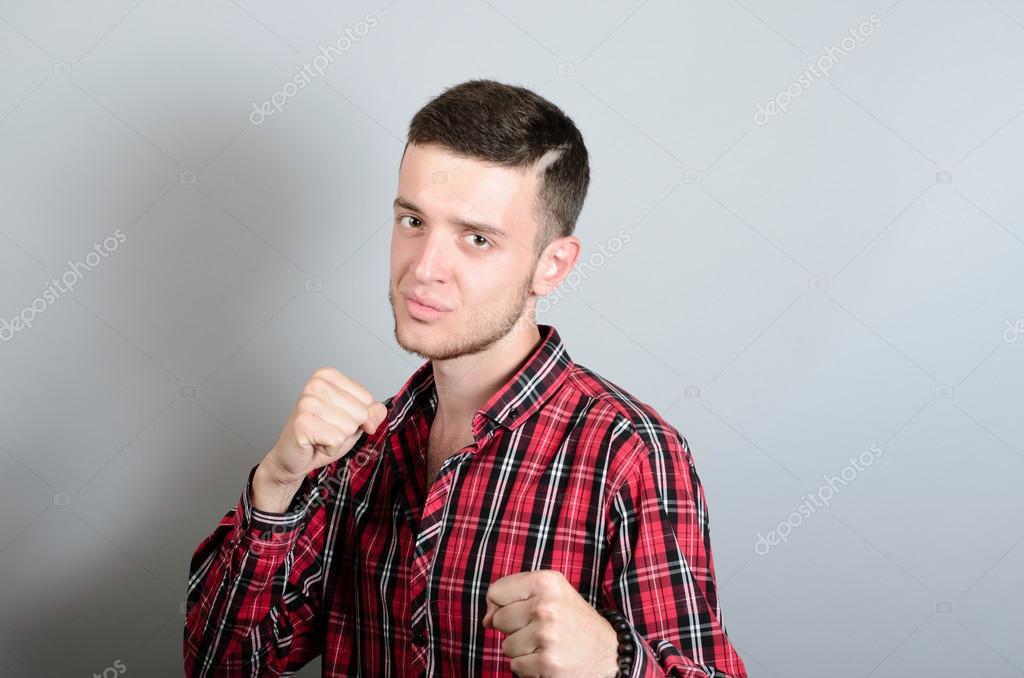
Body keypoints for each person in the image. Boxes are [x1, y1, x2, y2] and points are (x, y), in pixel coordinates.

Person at [184, 78, 747, 678]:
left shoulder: (629, 455)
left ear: (551, 265)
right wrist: (274, 485)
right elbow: (221, 665)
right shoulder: (356, 447)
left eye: (476, 238)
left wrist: (615, 667)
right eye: (413, 221)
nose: (424, 269)